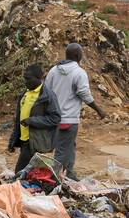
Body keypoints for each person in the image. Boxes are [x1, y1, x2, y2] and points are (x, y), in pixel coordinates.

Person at [45, 42, 109, 179]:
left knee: (69, 145)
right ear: (77, 55)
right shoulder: (79, 73)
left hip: (54, 118)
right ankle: (52, 180)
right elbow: (84, 94)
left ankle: (71, 173)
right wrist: (99, 110)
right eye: (81, 53)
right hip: (69, 119)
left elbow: (45, 92)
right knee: (62, 151)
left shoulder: (53, 70)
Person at [8, 63, 62, 174]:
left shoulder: (47, 95)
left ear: (39, 78)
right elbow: (18, 119)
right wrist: (13, 140)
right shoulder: (25, 94)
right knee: (30, 173)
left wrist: (32, 121)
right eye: (24, 79)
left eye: (28, 79)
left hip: (35, 141)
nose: (25, 82)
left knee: (20, 171)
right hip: (24, 140)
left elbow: (55, 118)